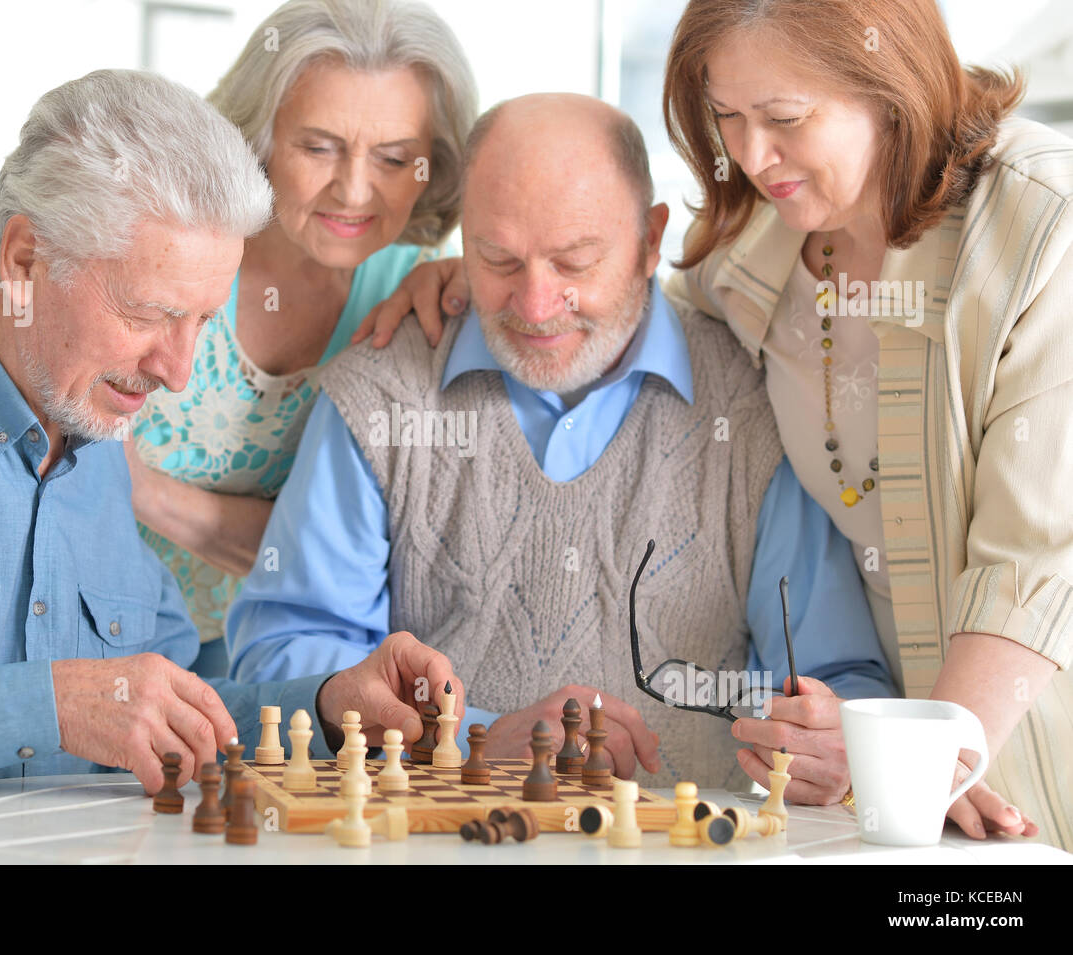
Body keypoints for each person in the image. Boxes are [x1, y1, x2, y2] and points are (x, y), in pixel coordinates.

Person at [363, 0, 1072, 849]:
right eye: (728, 116)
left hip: (1022, 728)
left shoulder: (1042, 225)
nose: (751, 155)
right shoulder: (744, 250)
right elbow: (608, 302)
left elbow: (1037, 560)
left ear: (890, 83)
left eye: (784, 118)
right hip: (892, 767)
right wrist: (486, 275)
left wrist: (940, 756)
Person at [0, 69, 462, 862]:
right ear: (25, 259)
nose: (177, 370)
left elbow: (180, 705)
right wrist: (43, 708)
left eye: (203, 318)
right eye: (150, 314)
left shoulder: (99, 443)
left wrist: (331, 704)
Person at [0, 0, 478, 678]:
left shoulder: (420, 304)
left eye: (395, 157)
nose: (355, 190)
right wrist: (48, 708)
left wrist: (325, 704)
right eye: (319, 146)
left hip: (233, 658)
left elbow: (327, 572)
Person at [226, 93, 896, 790]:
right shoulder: (380, 395)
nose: (536, 306)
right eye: (498, 259)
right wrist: (476, 739)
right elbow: (282, 665)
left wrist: (835, 739)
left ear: (651, 241)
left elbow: (841, 675)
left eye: (575, 261)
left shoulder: (755, 405)